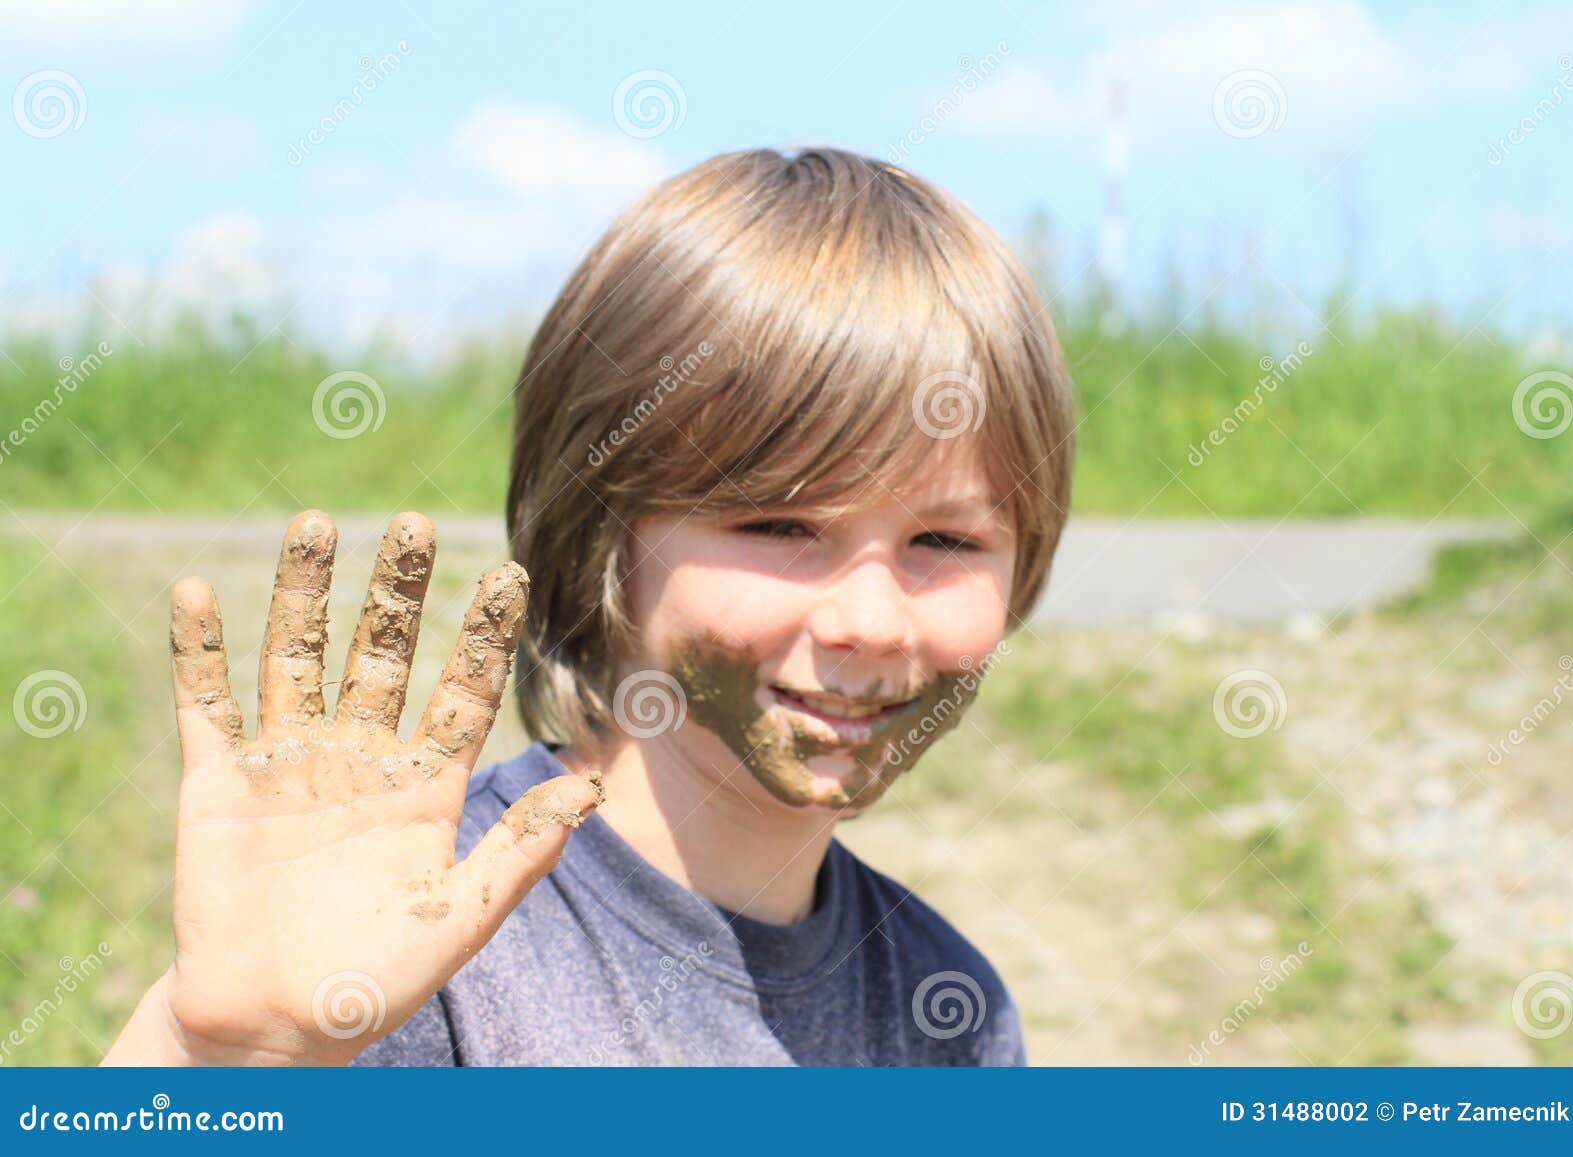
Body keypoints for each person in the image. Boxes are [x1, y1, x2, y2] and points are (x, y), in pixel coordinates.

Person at [101, 146, 1075, 1066]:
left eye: (945, 541)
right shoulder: (410, 936)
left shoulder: (951, 1014)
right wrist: (219, 1058)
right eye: (780, 525)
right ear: (604, 534)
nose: (872, 620)